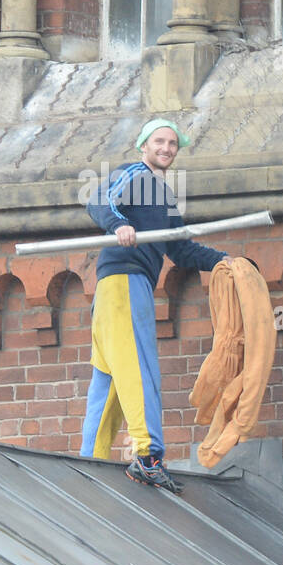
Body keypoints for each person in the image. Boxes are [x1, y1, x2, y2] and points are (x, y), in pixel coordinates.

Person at [80, 118, 229, 493]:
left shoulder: (161, 195)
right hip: (125, 281)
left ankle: (88, 461)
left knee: (111, 377)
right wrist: (117, 225)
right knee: (138, 367)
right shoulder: (135, 174)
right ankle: (148, 457)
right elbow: (99, 201)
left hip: (122, 287)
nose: (166, 149)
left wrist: (225, 262)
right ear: (143, 146)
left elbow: (180, 247)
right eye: (159, 142)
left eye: (172, 144)